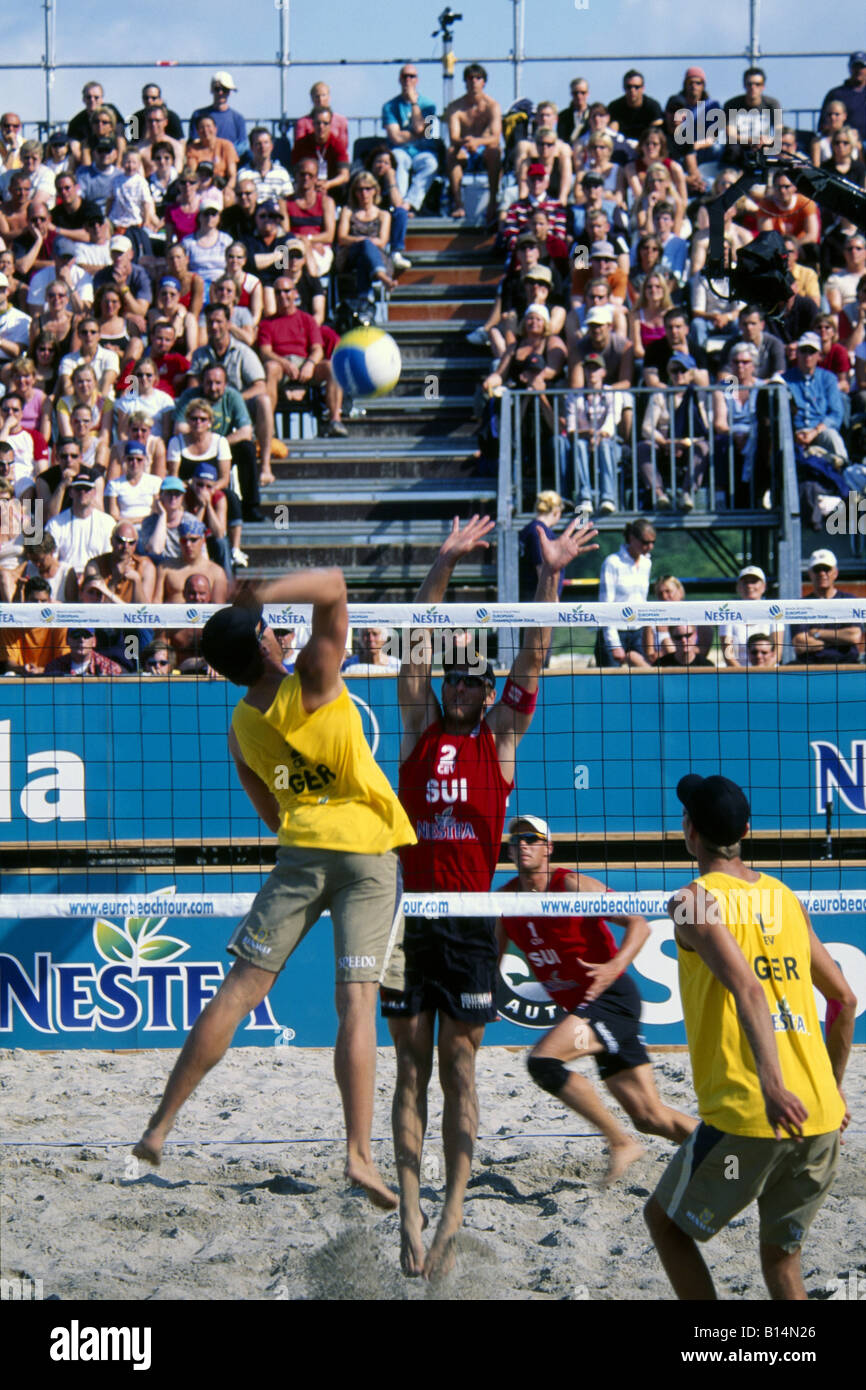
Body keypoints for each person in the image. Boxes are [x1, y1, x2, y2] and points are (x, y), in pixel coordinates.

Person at [133, 574, 416, 1210]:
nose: (276, 631)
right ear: (263, 646)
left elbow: (271, 815)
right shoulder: (314, 676)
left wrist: (253, 615)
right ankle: (357, 1155)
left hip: (301, 851)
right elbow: (335, 586)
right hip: (366, 851)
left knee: (237, 991)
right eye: (268, 630)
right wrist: (262, 591)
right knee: (356, 1002)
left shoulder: (240, 726)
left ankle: (158, 1128)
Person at [383, 512, 598, 1281]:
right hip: (410, 921)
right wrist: (442, 559)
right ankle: (409, 1212)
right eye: (459, 675)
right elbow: (415, 635)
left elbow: (534, 658)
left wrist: (548, 577)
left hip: (472, 922)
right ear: (447, 684)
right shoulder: (418, 728)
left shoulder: (496, 741)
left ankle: (451, 1216)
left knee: (460, 1072)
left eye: (478, 676)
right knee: (408, 1073)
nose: (468, 684)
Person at [645, 773, 855, 1301]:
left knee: (666, 1224)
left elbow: (748, 990)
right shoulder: (786, 897)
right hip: (820, 1122)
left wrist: (771, 1086)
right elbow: (845, 1001)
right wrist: (830, 1087)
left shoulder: (691, 902)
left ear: (689, 831)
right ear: (746, 829)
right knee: (782, 1262)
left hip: (752, 1120)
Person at [499, 814, 697, 1184]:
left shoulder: (572, 885)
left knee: (544, 1062)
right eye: (516, 840)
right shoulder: (506, 900)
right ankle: (730, 1151)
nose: (523, 845)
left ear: (548, 847)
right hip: (588, 1007)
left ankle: (620, 1142)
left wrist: (614, 966)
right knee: (649, 1115)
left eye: (532, 838)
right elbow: (492, 955)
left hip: (610, 995)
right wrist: (484, 995)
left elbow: (639, 923)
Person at [596, 518, 655, 668]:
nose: (650, 547)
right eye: (645, 542)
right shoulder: (612, 563)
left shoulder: (647, 563)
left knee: (644, 682)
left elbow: (643, 600)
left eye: (652, 542)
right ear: (631, 538)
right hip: (615, 631)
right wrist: (613, 643)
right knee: (609, 685)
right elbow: (605, 605)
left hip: (639, 632)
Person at [789, 548, 864, 666]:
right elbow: (799, 643)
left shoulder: (849, 600)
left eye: (827, 569)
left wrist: (816, 633)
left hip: (846, 666)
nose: (822, 573)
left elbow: (854, 636)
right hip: (810, 668)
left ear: (835, 572)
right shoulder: (800, 605)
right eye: (817, 569)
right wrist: (839, 639)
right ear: (810, 573)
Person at [446, 64, 502, 221]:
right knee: (451, 152)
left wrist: (477, 141)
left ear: (484, 82)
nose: (474, 82)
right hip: (464, 149)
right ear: (465, 81)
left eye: (478, 78)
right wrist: (466, 142)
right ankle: (458, 204)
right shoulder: (455, 107)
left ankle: (493, 201)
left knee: (494, 151)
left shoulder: (492, 106)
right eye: (470, 78)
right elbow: (453, 137)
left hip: (484, 149)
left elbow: (496, 137)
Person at [382, 65, 440, 214]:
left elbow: (426, 132)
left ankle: (409, 204)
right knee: (398, 160)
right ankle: (399, 204)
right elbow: (395, 137)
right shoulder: (389, 106)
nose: (408, 79)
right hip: (401, 150)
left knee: (431, 164)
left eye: (412, 76)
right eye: (405, 76)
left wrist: (414, 104)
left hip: (423, 151)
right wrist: (416, 134)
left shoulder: (429, 105)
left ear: (417, 80)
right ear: (399, 79)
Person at [720, 565, 784, 668]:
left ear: (764, 587)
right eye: (745, 582)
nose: (749, 586)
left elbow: (777, 653)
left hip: (769, 671)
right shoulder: (728, 615)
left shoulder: (774, 613)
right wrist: (744, 675)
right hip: (738, 674)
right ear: (738, 587)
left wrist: (761, 673)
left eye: (754, 581)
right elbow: (728, 654)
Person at [290, 111, 350, 202]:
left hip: (331, 185)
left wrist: (328, 184)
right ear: (312, 124)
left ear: (330, 125)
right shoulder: (301, 144)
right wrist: (312, 183)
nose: (321, 127)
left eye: (325, 123)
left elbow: (344, 175)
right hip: (307, 183)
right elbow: (295, 171)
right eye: (318, 123)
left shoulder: (337, 144)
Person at [189, 73, 248, 158]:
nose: (220, 93)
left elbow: (243, 145)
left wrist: (225, 155)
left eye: (225, 89)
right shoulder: (198, 114)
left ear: (230, 92)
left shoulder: (238, 118)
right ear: (212, 90)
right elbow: (195, 141)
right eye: (217, 89)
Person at [44, 626, 125, 677]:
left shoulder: (109, 668)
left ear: (94, 641)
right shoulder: (54, 667)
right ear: (67, 640)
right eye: (76, 635)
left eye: (86, 635)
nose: (81, 639)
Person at [607, 71, 664, 142]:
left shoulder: (653, 106)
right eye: (629, 87)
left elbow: (657, 132)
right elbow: (610, 132)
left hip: (647, 146)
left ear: (643, 88)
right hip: (621, 146)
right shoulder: (615, 107)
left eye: (636, 87)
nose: (632, 90)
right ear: (623, 88)